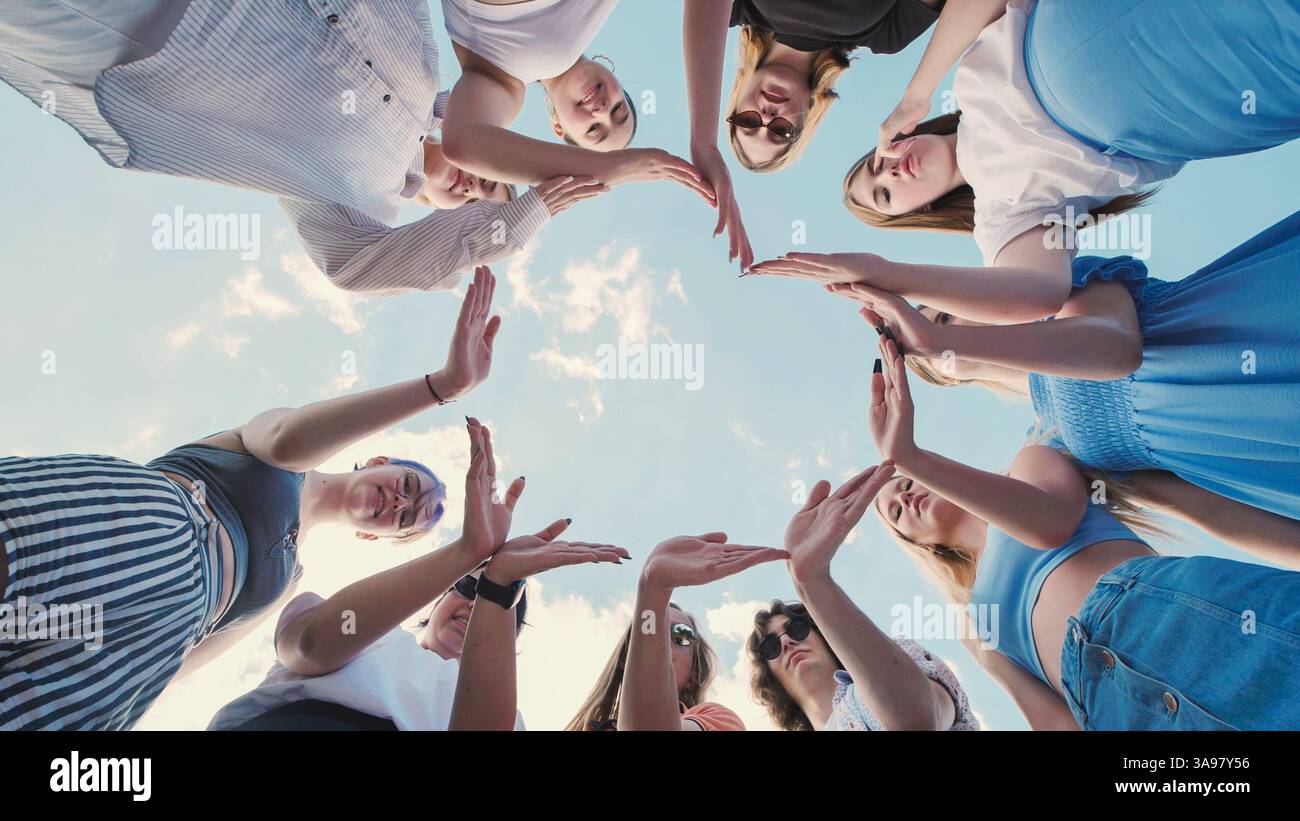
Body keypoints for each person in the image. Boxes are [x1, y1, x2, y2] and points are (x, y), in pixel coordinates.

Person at [0, 267, 503, 730]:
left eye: (406, 519)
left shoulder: (289, 584)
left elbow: (194, 657)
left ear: (375, 535)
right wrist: (440, 387)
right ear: (378, 462)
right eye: (407, 486)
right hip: (139, 525)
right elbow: (286, 438)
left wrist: (136, 690)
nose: (399, 503)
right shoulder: (281, 456)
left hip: (147, 645)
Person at [750, 0, 1300, 322]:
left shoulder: (966, 77)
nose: (889, 171)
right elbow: (1037, 293)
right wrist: (890, 277)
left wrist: (918, 93)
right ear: (923, 210)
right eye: (886, 196)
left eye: (875, 164)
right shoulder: (1001, 213)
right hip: (1206, 84)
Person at [0, 1, 602, 295]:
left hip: (140, 34)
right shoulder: (425, 68)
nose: (477, 192)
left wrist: (530, 213)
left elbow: (354, 272)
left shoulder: (355, 204)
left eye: (477, 208)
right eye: (493, 182)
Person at [868, 335, 1300, 730]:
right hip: (1112, 707)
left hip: (1166, 612)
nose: (904, 499)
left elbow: (1050, 522)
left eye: (905, 484)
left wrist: (911, 456)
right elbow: (1052, 720)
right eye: (896, 514)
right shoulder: (973, 624)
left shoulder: (1029, 462)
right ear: (922, 545)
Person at [823, 209, 1300, 562]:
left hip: (1269, 316)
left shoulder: (1063, 293)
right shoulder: (1050, 448)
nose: (936, 332)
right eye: (925, 348)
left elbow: (1118, 349)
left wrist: (939, 334)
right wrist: (911, 459)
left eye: (944, 312)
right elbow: (1205, 510)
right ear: (947, 376)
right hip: (1273, 447)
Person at [209, 418, 628, 730]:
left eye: (503, 611)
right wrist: (468, 551)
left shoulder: (507, 714)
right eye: (468, 586)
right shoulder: (373, 632)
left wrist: (501, 588)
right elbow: (310, 645)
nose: (474, 604)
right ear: (439, 597)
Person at [438, 0, 720, 247]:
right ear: (613, 75)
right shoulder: (591, 19)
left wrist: (612, 169)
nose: (602, 110)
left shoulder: (505, 82)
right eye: (619, 109)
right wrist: (706, 141)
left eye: (593, 129)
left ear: (557, 124)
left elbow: (462, 142)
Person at [747, 462, 979, 730]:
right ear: (769, 676)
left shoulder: (896, 663)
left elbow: (922, 720)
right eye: (770, 646)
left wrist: (812, 582)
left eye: (797, 629)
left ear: (824, 633)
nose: (786, 642)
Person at [571, 532, 787, 730]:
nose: (661, 641)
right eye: (654, 632)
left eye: (681, 635)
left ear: (694, 674)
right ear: (625, 660)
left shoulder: (717, 720)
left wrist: (653, 589)